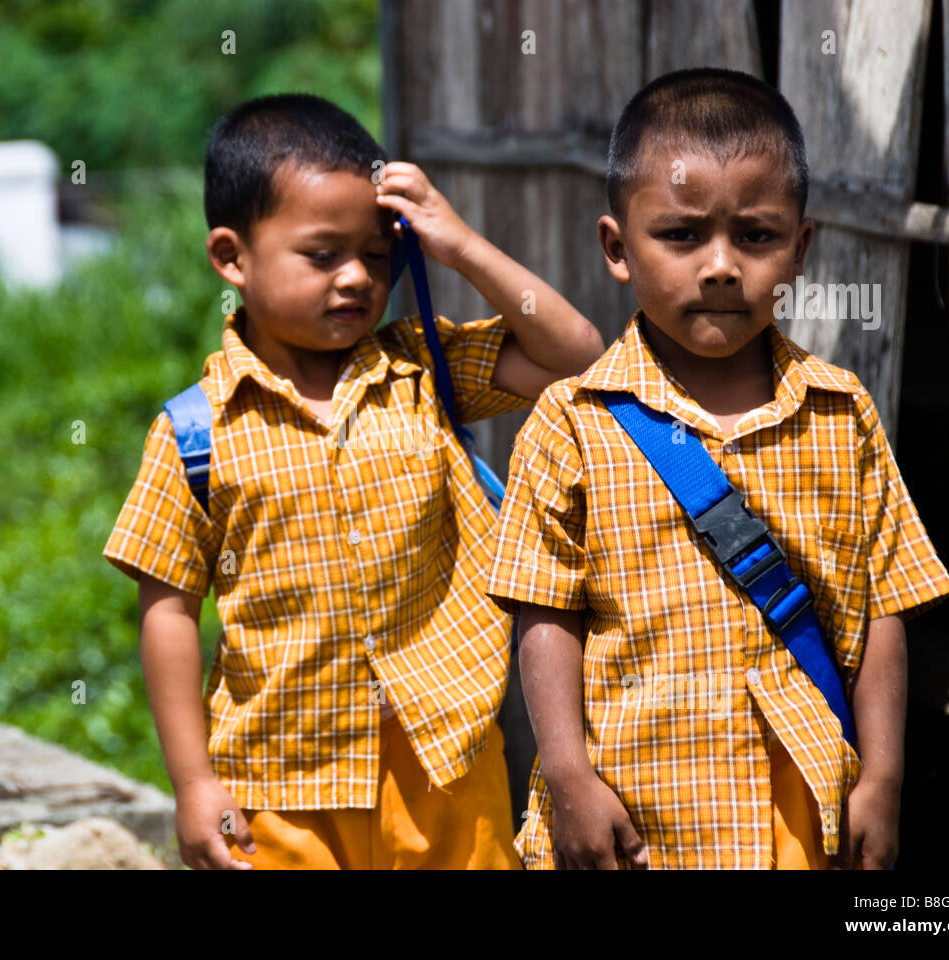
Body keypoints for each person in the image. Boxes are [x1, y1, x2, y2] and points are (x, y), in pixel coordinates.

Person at [103, 93, 603, 869]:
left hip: (446, 763)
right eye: (322, 254)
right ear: (232, 258)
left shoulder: (423, 367)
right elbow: (168, 613)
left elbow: (576, 355)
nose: (356, 279)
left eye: (377, 255)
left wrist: (460, 244)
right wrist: (193, 781)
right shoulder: (196, 432)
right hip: (281, 781)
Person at [484, 68, 949, 870]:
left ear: (800, 249)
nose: (721, 266)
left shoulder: (841, 415)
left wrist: (883, 775)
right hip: (637, 816)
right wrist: (567, 775)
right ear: (617, 248)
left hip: (805, 820)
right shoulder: (572, 421)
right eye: (681, 235)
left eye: (757, 236)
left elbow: (884, 611)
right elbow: (545, 618)